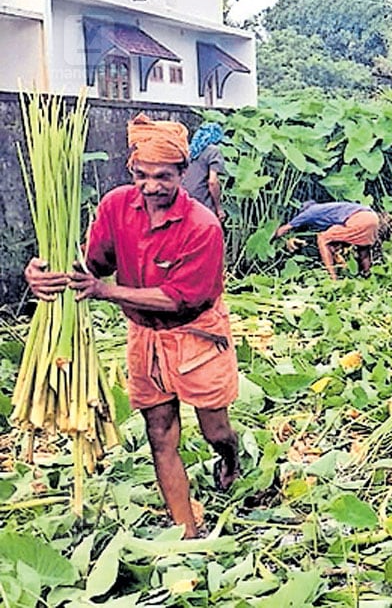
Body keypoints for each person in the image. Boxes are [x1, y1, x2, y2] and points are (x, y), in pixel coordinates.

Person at [24, 114, 241, 539]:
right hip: (145, 338)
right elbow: (92, 265)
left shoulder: (203, 227)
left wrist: (105, 293)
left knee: (215, 428)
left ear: (183, 172)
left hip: (197, 335)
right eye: (142, 175)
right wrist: (44, 272)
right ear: (131, 171)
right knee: (160, 432)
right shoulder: (116, 207)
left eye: (163, 176)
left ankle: (229, 456)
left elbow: (181, 299)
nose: (151, 186)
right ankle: (188, 533)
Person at [274, 201, 392, 280]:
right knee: (364, 251)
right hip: (372, 217)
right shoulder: (330, 209)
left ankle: (332, 277)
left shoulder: (311, 211)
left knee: (323, 239)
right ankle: (368, 277)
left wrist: (272, 236)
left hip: (358, 219)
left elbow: (283, 229)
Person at [185, 122, 228, 222]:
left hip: (184, 200)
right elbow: (212, 182)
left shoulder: (188, 151)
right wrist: (218, 208)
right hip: (202, 202)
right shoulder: (213, 151)